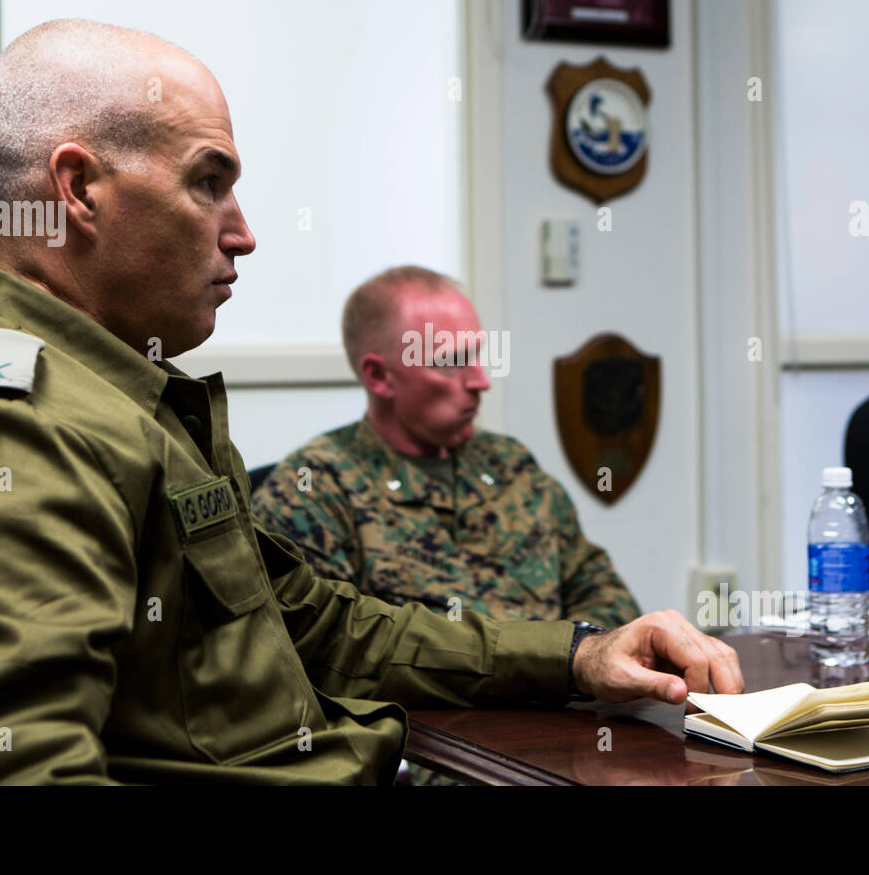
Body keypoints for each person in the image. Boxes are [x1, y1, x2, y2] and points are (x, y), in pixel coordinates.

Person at [0, 19, 742, 785]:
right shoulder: (5, 428)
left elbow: (315, 623)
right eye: (208, 181)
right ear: (78, 192)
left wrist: (579, 655)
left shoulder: (122, 396)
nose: (245, 233)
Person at [250, 266, 640, 632]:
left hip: (562, 702)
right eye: (452, 362)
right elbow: (335, 649)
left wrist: (586, 658)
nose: (481, 381)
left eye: (476, 356)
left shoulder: (509, 465)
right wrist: (552, 662)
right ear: (380, 376)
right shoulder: (315, 490)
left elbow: (607, 598)